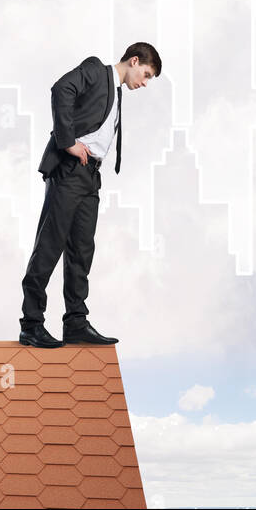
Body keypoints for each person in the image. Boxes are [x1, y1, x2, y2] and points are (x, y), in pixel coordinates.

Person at [18, 42, 161, 348]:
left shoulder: (117, 92)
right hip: (69, 170)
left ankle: (76, 323)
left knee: (82, 251)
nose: (145, 82)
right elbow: (61, 89)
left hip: (89, 176)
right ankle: (31, 324)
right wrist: (67, 140)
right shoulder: (97, 70)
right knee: (49, 245)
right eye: (146, 74)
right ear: (134, 61)